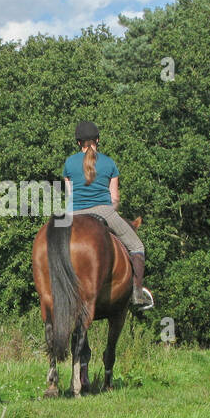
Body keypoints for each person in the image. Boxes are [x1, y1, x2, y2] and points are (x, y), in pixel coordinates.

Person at [61, 120, 152, 308]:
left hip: (73, 215)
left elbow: (69, 196)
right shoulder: (109, 163)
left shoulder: (69, 163)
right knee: (137, 246)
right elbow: (115, 198)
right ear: (98, 140)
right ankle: (137, 293)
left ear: (78, 143)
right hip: (103, 211)